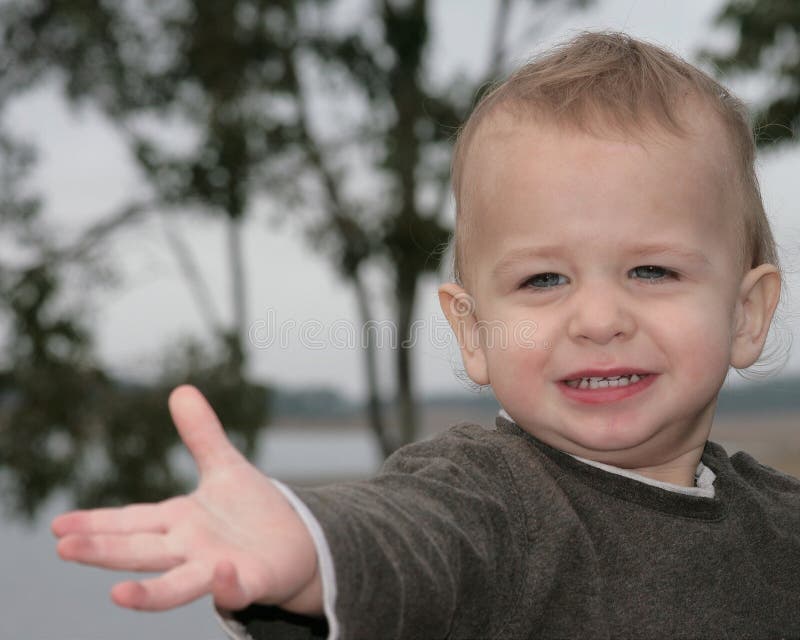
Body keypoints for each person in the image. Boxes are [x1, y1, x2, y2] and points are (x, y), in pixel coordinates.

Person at [52, 31, 799, 639]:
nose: (599, 319)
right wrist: (310, 545)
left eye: (651, 271)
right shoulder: (491, 499)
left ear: (746, 313)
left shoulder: (780, 526)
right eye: (544, 280)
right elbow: (405, 536)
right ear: (473, 334)